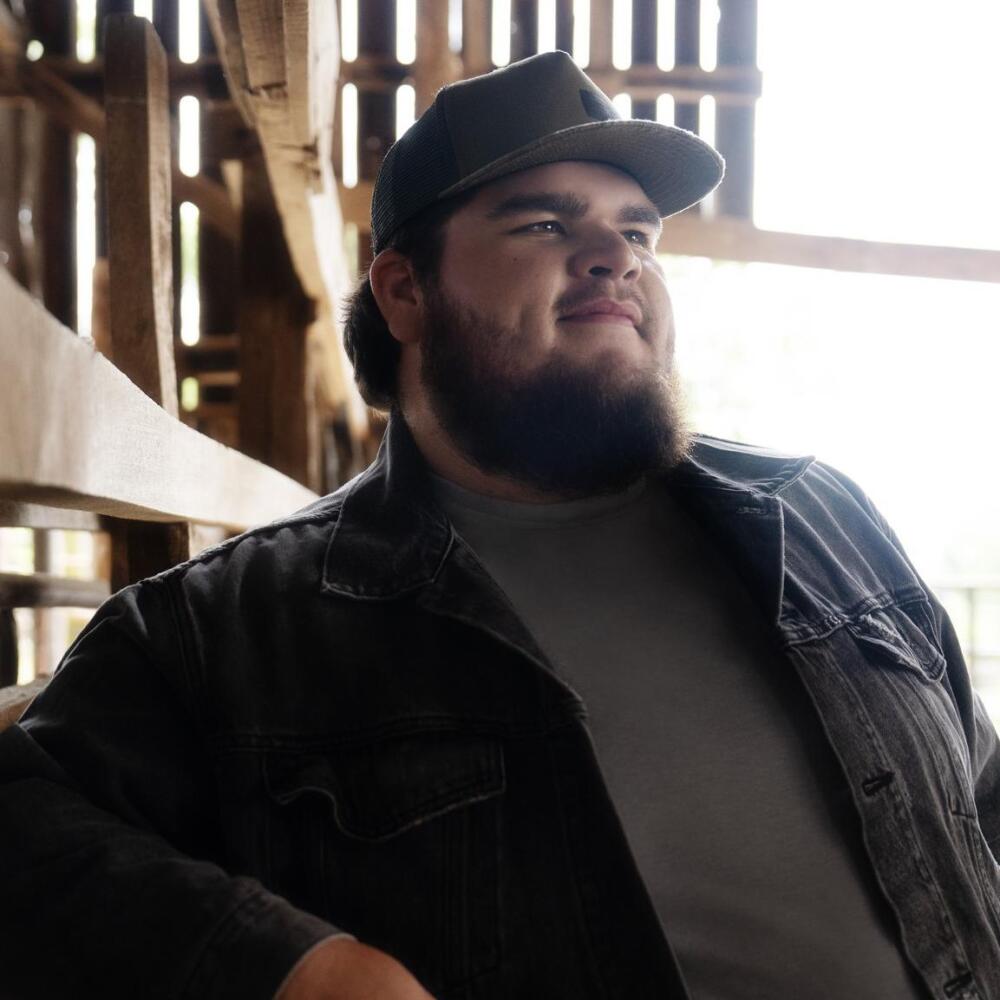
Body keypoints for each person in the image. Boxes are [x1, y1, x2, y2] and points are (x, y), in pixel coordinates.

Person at [0, 50, 998, 1000]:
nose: (615, 259)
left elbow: (978, 794)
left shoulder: (820, 515)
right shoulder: (229, 626)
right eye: (546, 226)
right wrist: (289, 968)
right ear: (405, 291)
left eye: (639, 232)